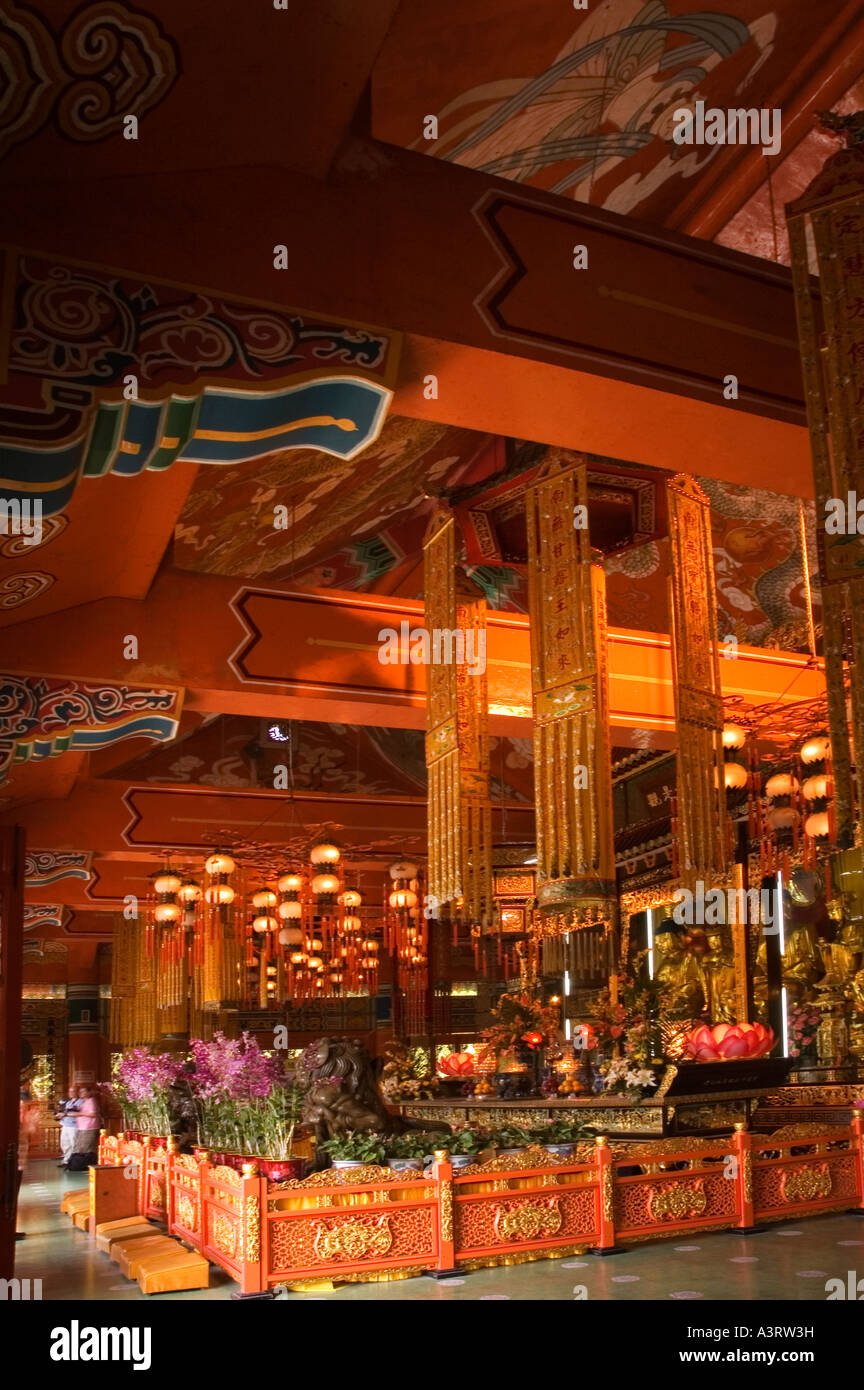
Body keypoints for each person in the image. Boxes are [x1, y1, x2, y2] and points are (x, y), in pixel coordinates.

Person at [71, 1083, 101, 1165]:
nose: (81, 1093)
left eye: (83, 1092)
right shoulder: (83, 1101)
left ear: (89, 1093)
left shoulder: (91, 1101)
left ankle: (87, 1164)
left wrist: (79, 1114)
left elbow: (93, 1114)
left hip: (89, 1127)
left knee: (87, 1146)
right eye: (80, 1092)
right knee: (81, 1146)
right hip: (82, 1127)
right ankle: (81, 1164)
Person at [55, 1086, 82, 1167]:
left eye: (73, 1091)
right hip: (65, 1124)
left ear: (77, 1092)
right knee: (64, 1143)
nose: (71, 1093)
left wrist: (66, 1114)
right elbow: (64, 1112)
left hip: (74, 1125)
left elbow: (80, 1113)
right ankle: (66, 1160)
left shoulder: (81, 1102)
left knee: (73, 1143)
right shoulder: (68, 1102)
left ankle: (74, 1161)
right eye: (70, 1091)